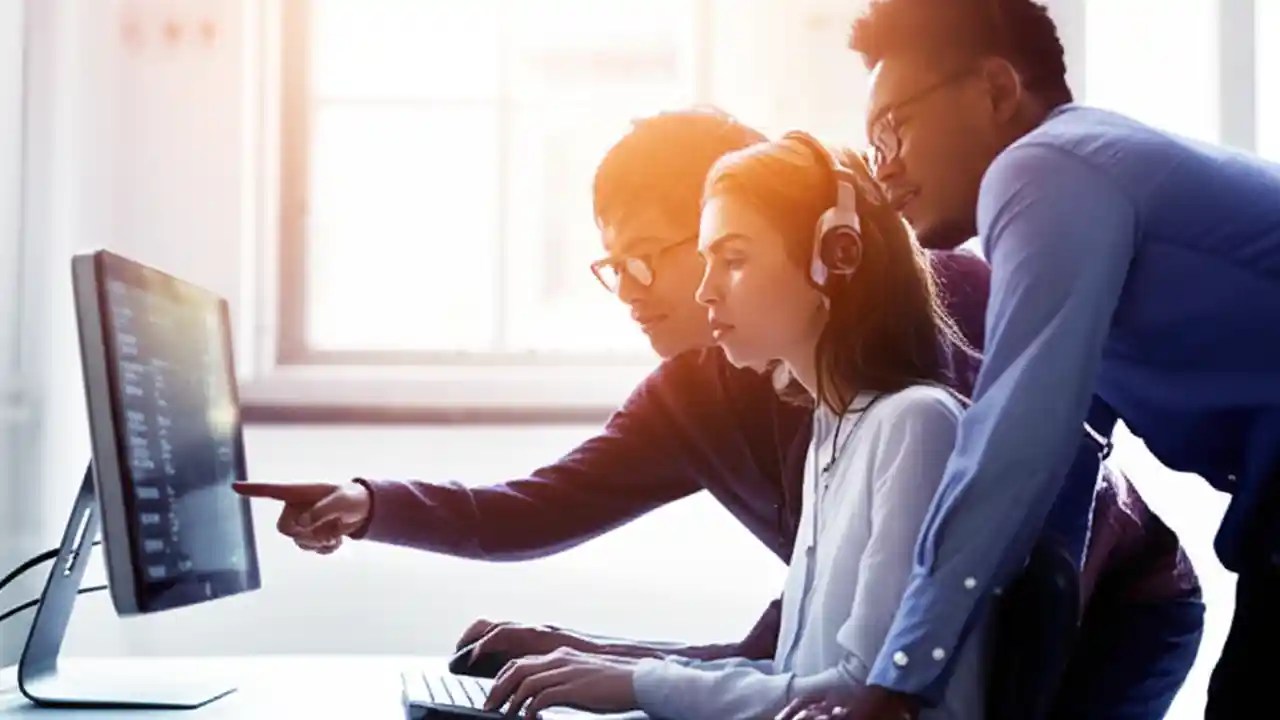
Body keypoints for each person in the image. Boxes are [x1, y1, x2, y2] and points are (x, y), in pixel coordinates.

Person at [233, 108, 1199, 715]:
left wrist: (614, 670)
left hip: (1107, 597)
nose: (635, 290)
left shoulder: (926, 330)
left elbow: (1063, 443)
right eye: (616, 266)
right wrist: (369, 501)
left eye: (665, 253)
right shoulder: (722, 395)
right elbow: (535, 510)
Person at [795, 1, 1280, 718]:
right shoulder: (1086, 190)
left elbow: (1013, 439)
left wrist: (900, 677)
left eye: (894, 128)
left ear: (994, 89)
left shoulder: (1042, 167)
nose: (885, 169)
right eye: (873, 146)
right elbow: (1059, 479)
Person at [482, 132, 990, 720]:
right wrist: (611, 669)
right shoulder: (835, 431)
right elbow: (792, 676)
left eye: (734, 260)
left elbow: (858, 695)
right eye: (707, 262)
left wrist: (636, 684)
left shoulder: (915, 425)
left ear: (836, 258)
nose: (706, 290)